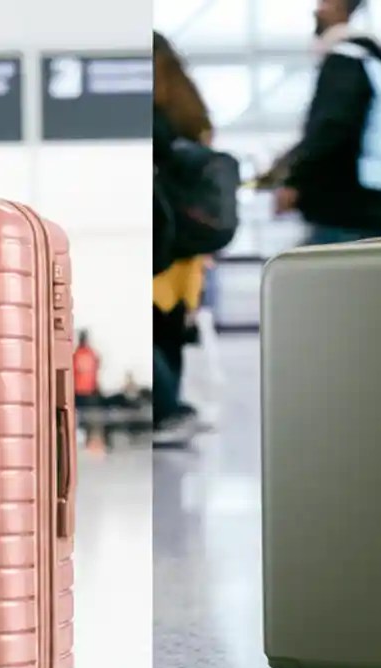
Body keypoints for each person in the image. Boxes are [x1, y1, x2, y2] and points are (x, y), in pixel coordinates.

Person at [274, 0, 381, 245]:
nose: (317, 9)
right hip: (365, 204)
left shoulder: (346, 58)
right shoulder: (369, 60)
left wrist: (295, 181)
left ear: (340, 7)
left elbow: (331, 125)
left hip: (341, 209)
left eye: (324, 2)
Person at [152, 31, 212, 448]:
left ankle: (168, 408)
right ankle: (170, 410)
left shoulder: (152, 118)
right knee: (170, 329)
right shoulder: (191, 109)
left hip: (159, 236)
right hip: (188, 242)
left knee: (151, 328)